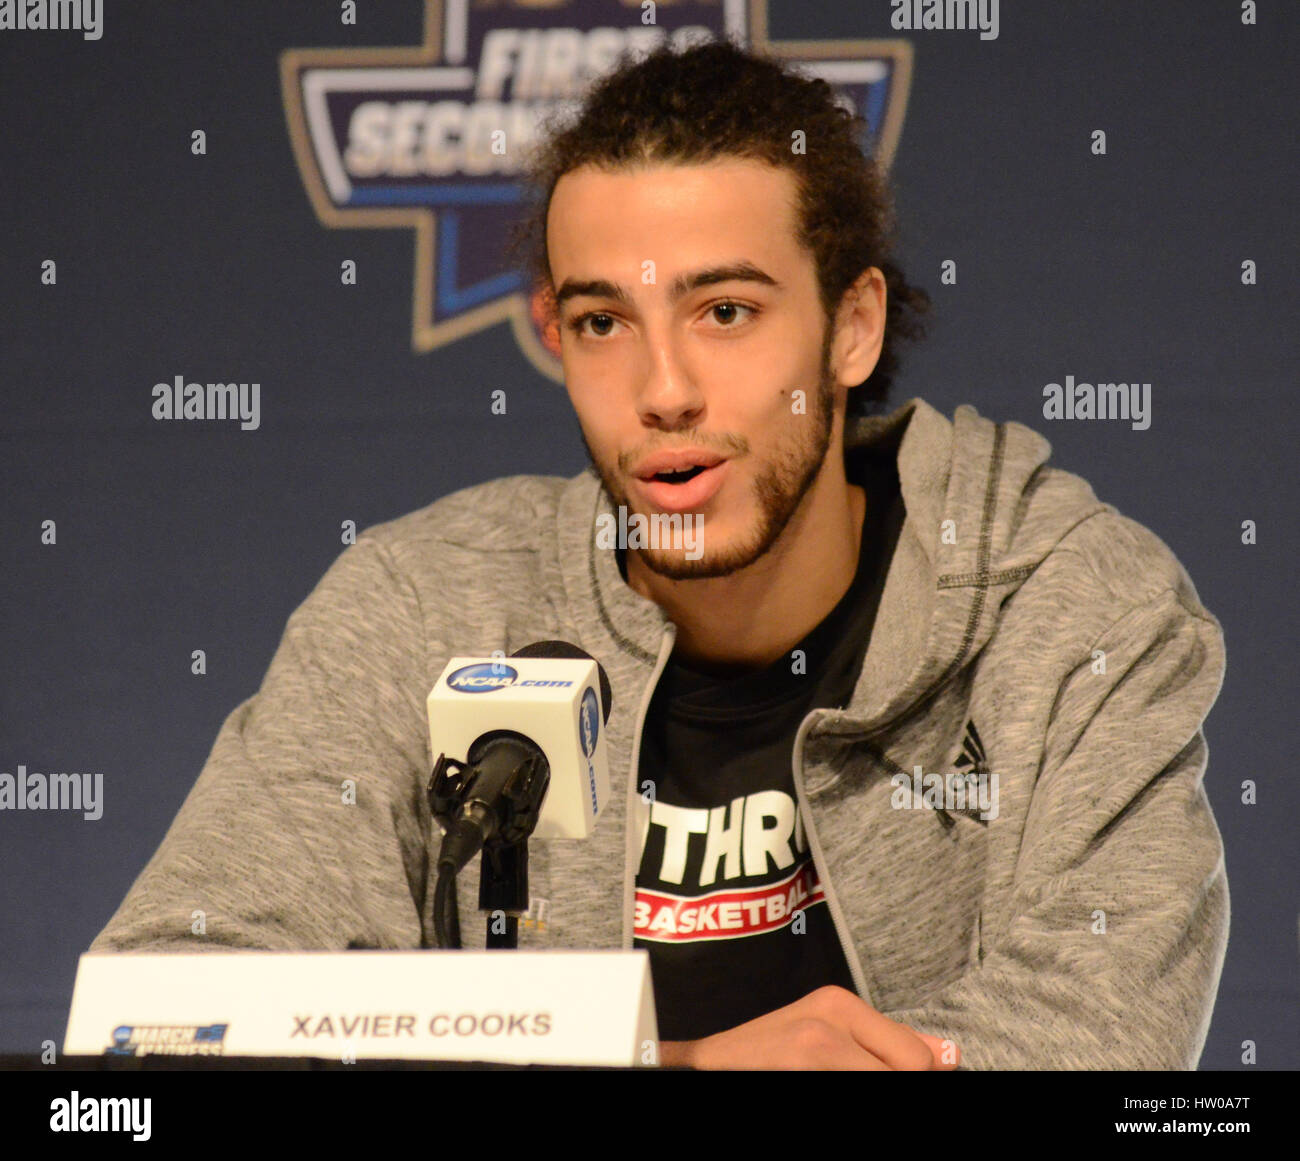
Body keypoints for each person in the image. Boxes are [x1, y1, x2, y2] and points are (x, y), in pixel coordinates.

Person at [88, 39, 1228, 1071]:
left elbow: (1100, 1039)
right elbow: (166, 1016)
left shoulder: (1071, 607)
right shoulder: (424, 603)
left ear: (852, 327)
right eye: (602, 324)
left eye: (725, 312)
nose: (663, 391)